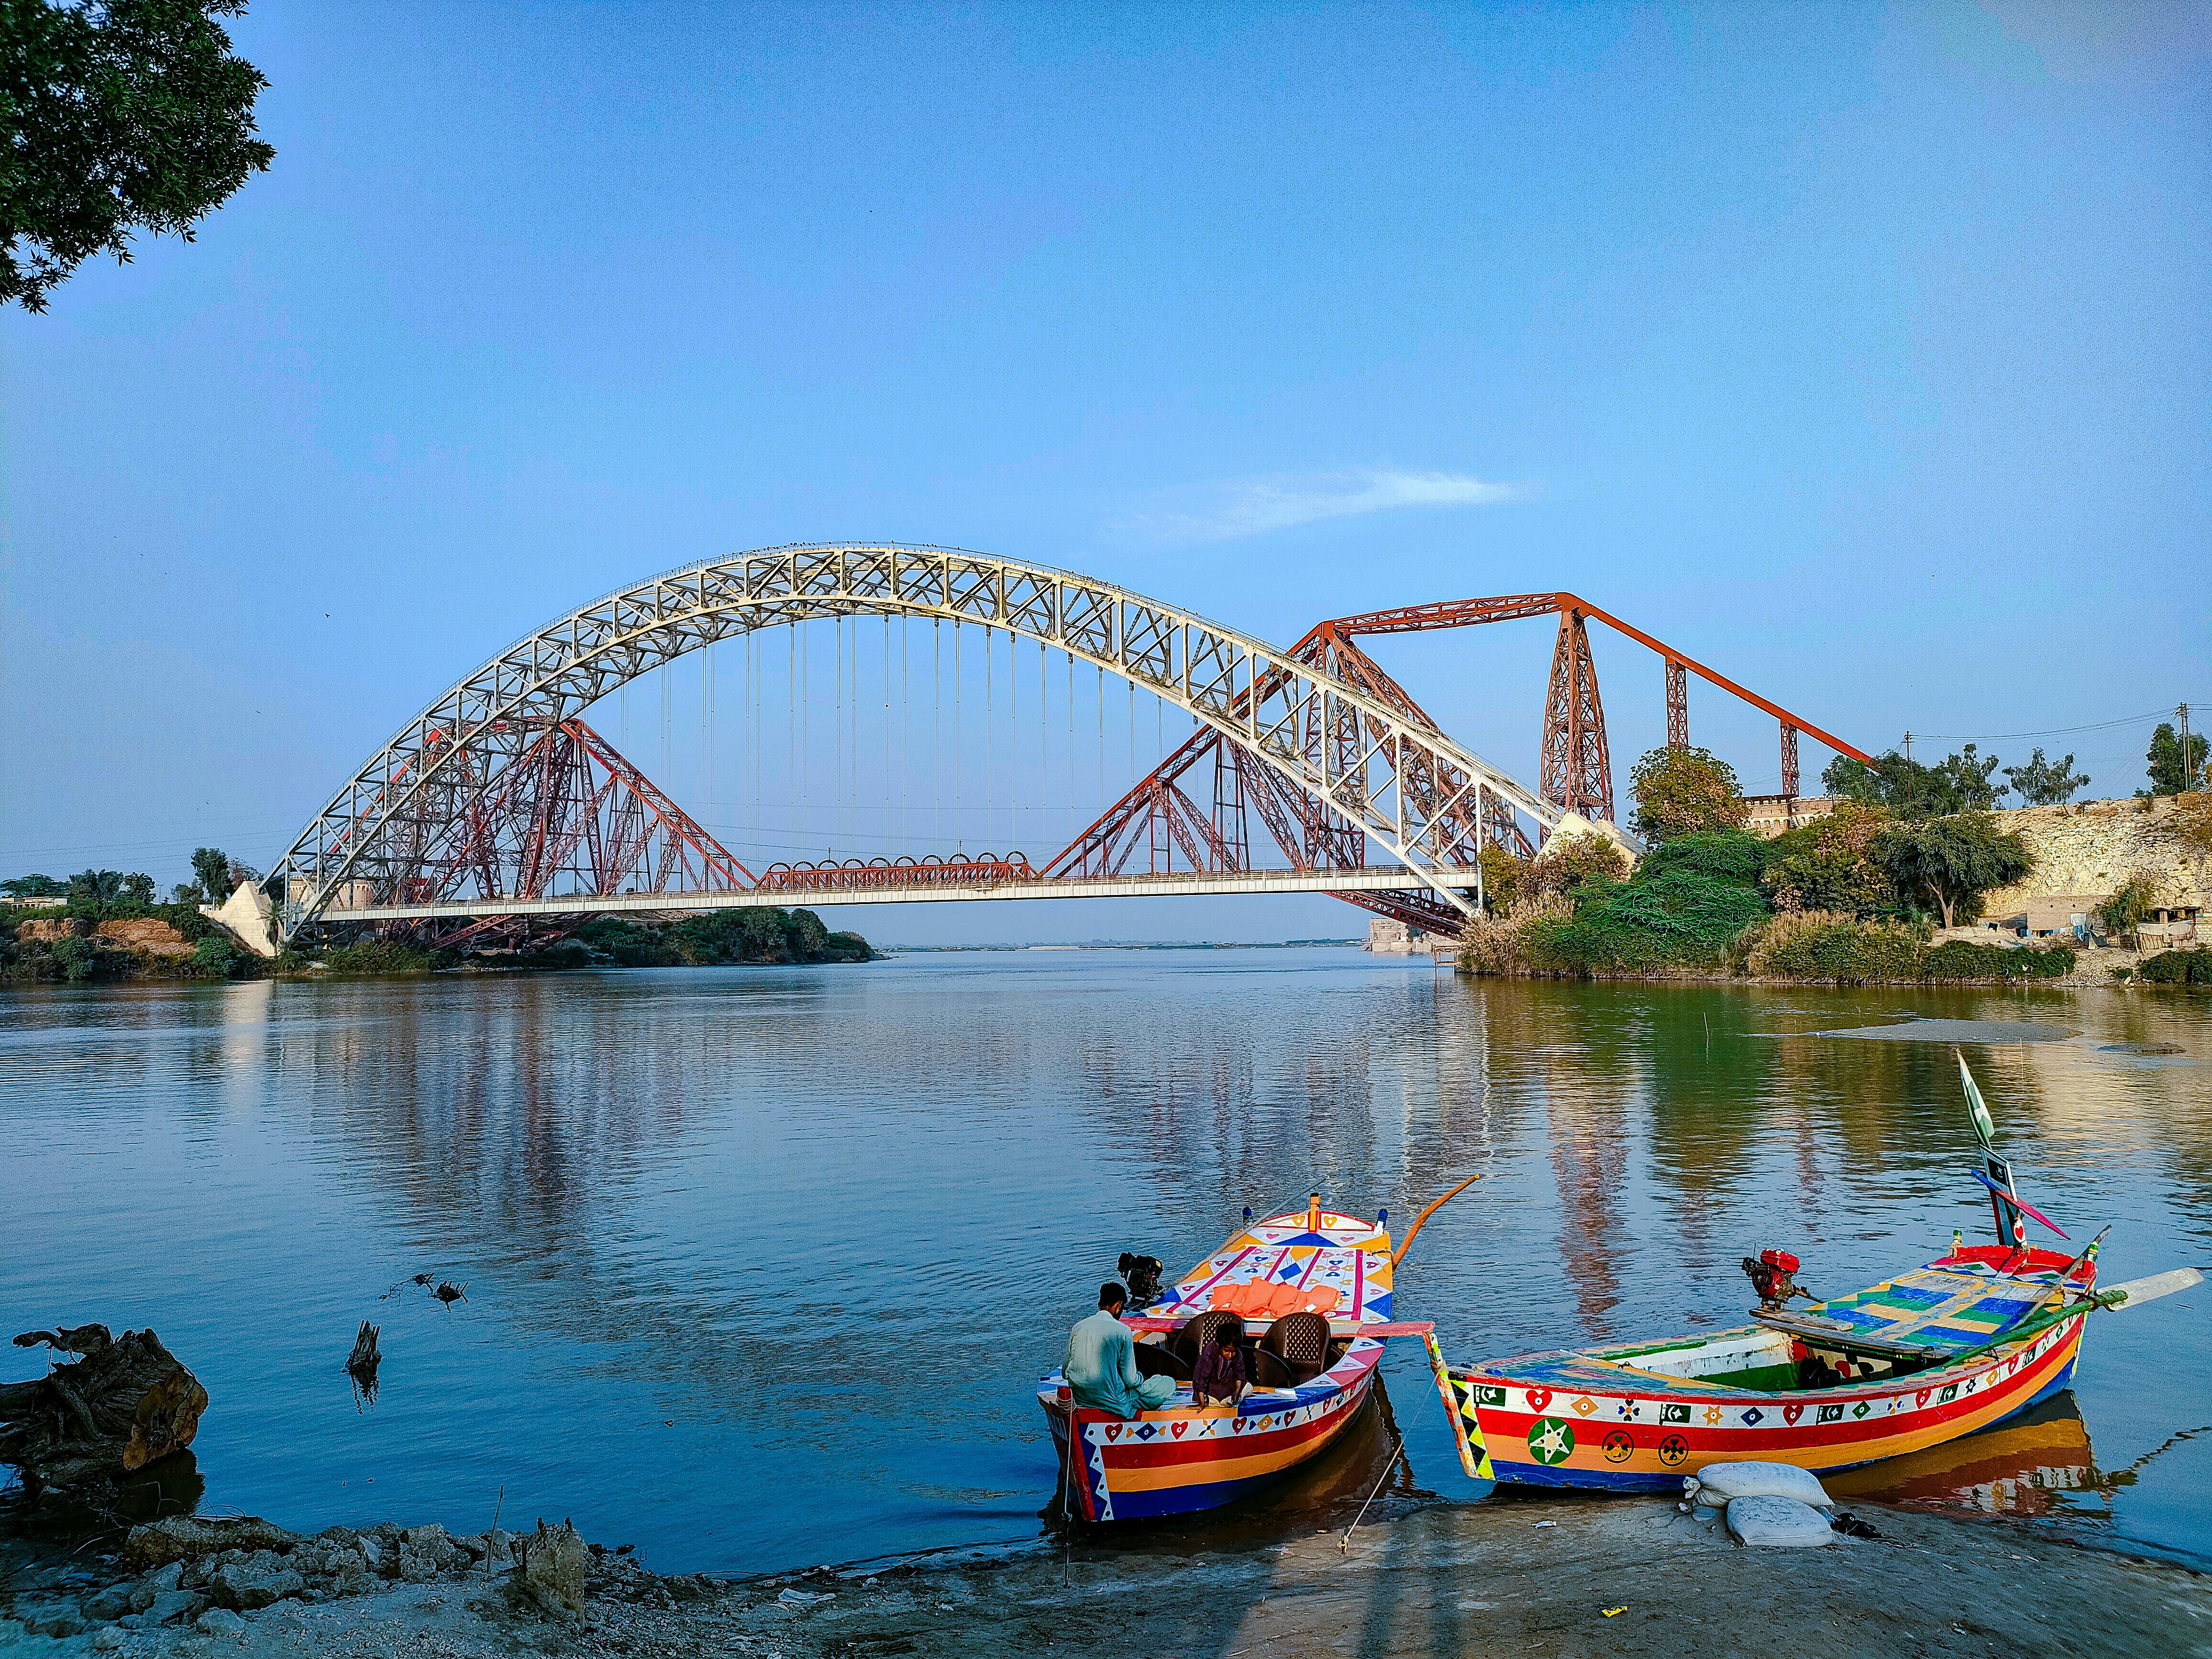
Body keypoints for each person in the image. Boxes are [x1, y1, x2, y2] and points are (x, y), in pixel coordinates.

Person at [1064, 1282, 1176, 1418]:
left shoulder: (1078, 1327)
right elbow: (1130, 1380)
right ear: (1118, 1306)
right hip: (1113, 1402)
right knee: (1167, 1383)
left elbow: (1065, 1372)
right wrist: (1142, 1378)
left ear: (1099, 1305)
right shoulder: (1123, 1331)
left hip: (1080, 1398)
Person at [1191, 1316, 1246, 1407]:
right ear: (1220, 1345)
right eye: (1227, 1351)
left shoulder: (1238, 1354)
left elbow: (1239, 1374)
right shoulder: (1211, 1350)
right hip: (1209, 1387)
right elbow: (1202, 1377)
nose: (1230, 1355)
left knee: (1246, 1388)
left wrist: (1237, 1391)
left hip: (1226, 1387)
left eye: (1234, 1352)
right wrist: (1201, 1403)